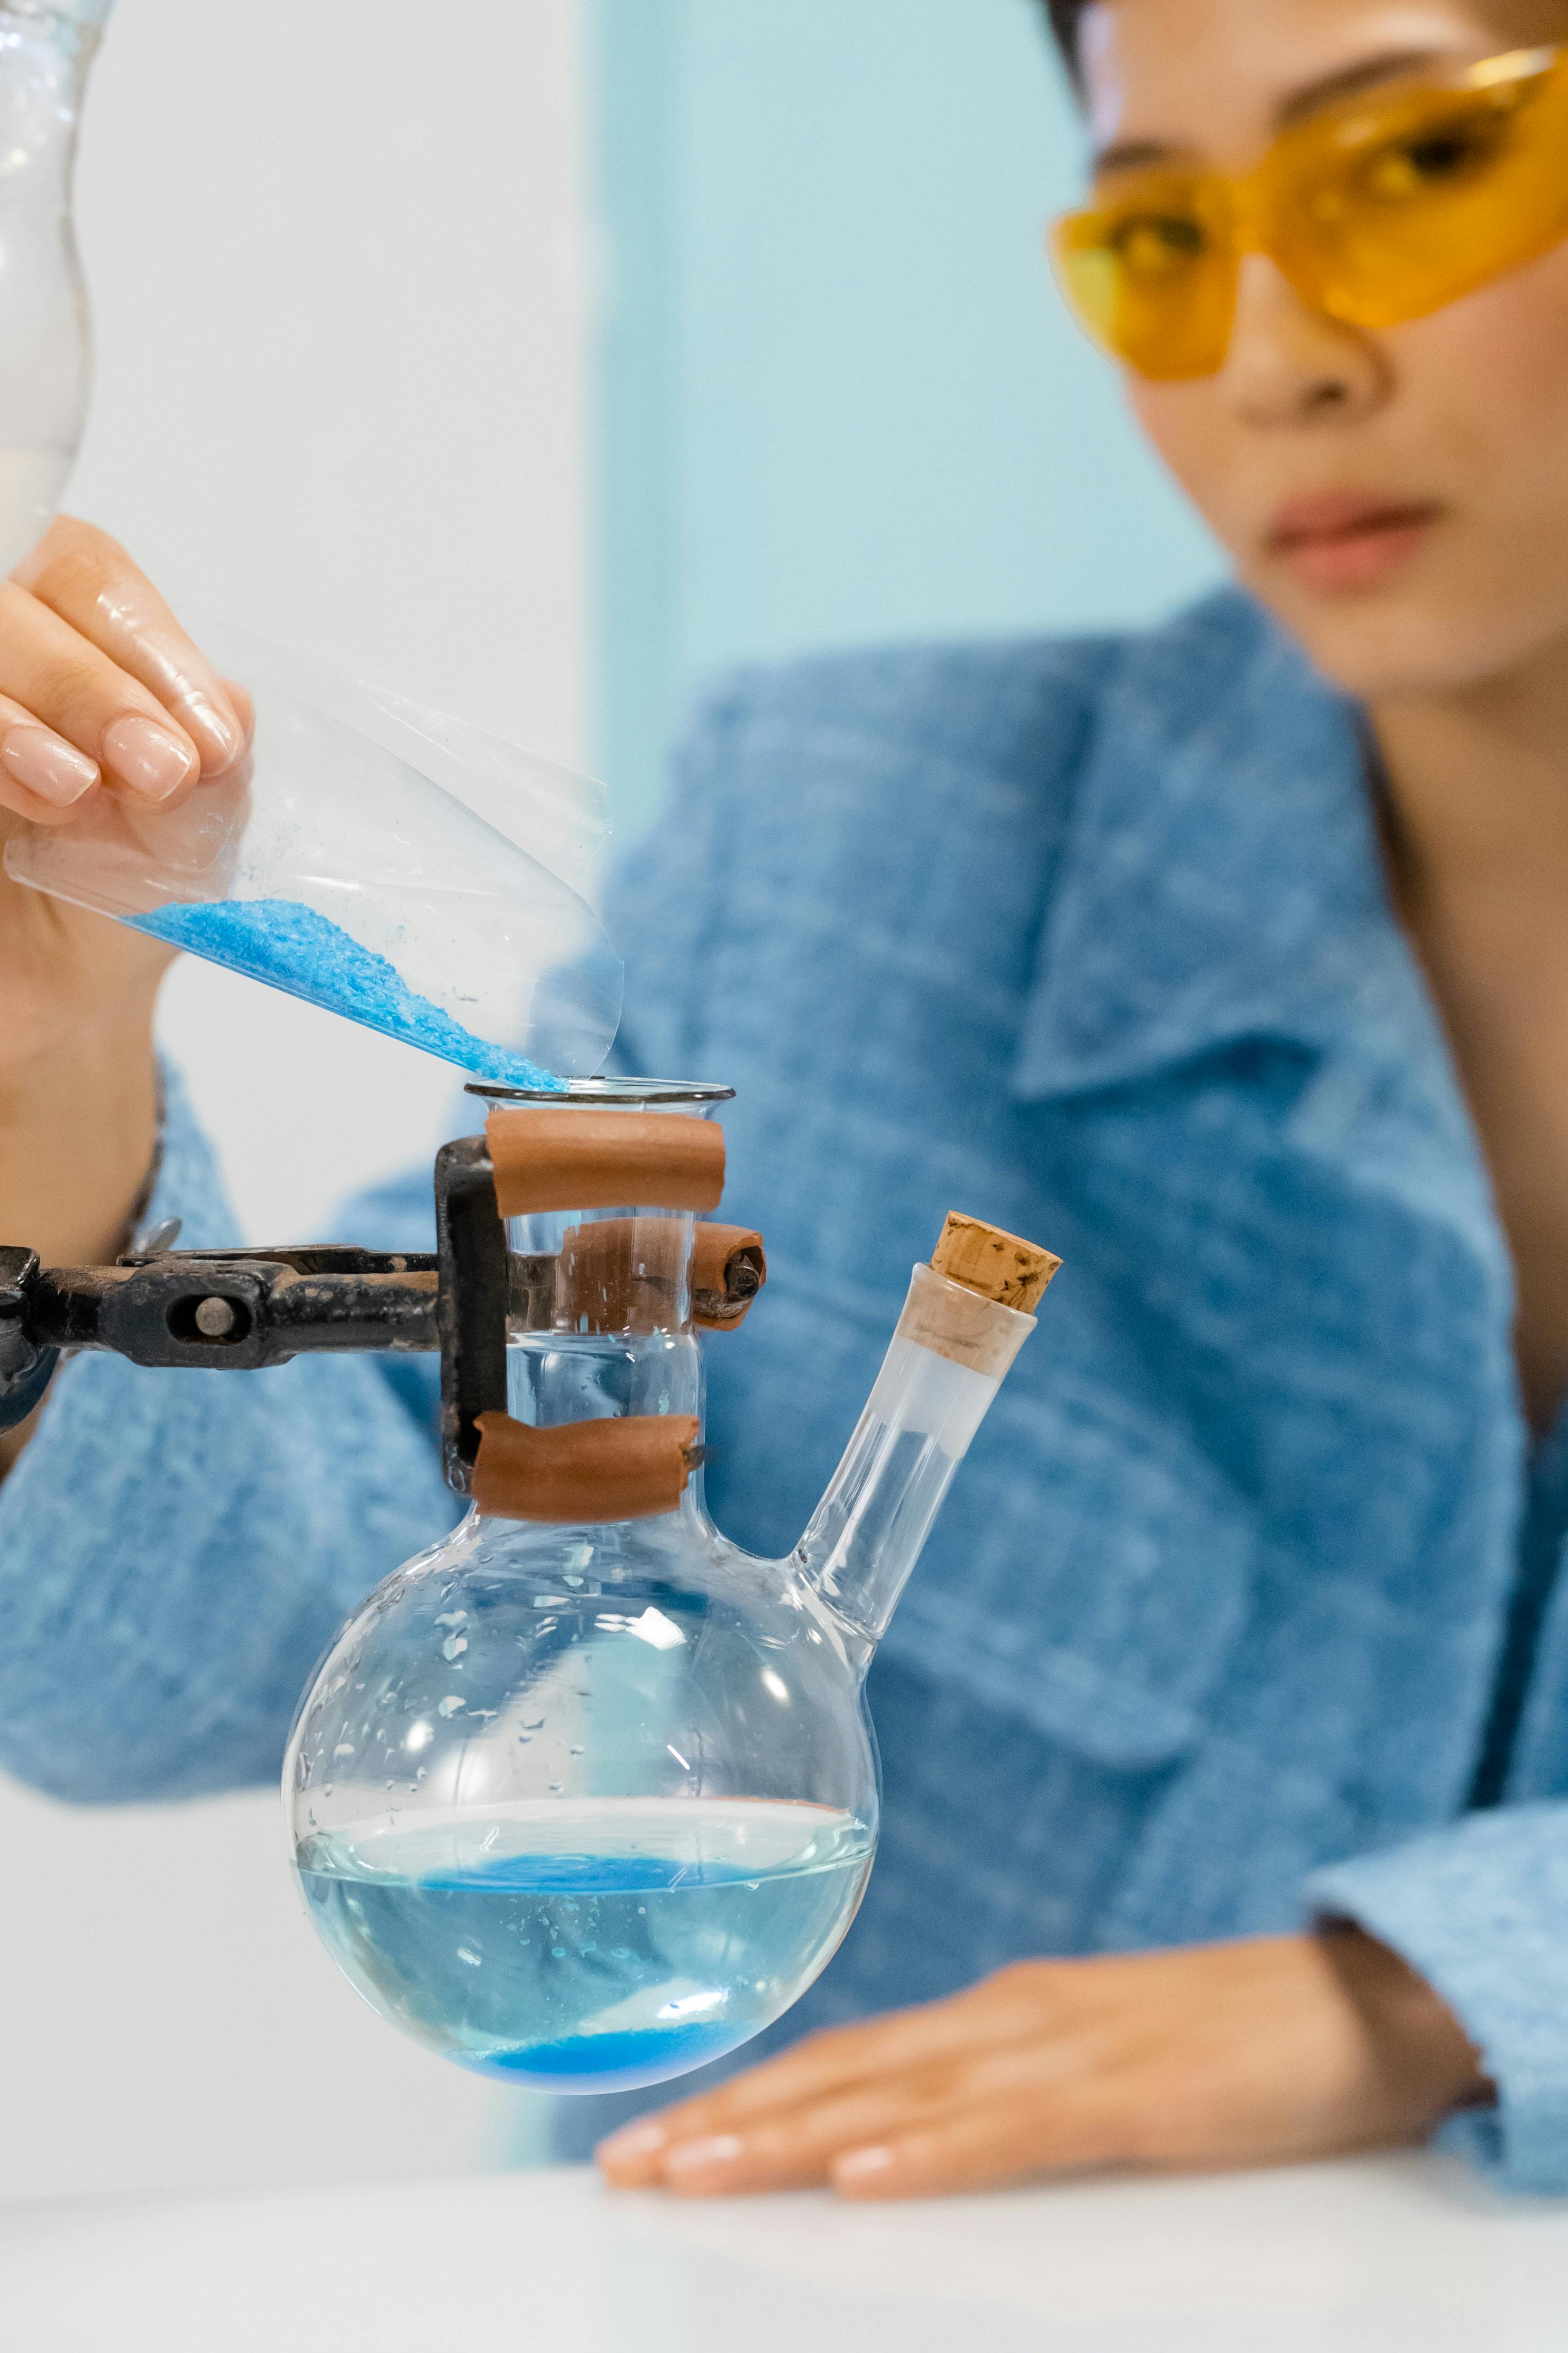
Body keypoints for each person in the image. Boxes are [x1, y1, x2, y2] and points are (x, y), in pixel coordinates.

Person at [4, 0, 1568, 2200]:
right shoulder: (856, 844)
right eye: (1163, 239)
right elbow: (186, 1652)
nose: (1271, 354)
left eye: (1414, 169)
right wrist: (57, 1066)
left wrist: (1420, 1990)